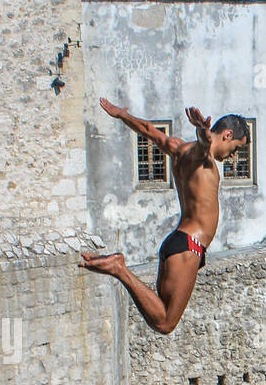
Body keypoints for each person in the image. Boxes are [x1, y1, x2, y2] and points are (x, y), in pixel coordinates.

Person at [79, 101, 250, 334]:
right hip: (189, 246)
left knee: (161, 314)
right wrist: (202, 130)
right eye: (235, 148)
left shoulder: (178, 148)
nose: (232, 156)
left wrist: (122, 115)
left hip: (179, 243)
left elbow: (149, 131)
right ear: (227, 135)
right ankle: (119, 268)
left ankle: (119, 269)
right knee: (166, 323)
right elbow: (205, 143)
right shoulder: (204, 157)